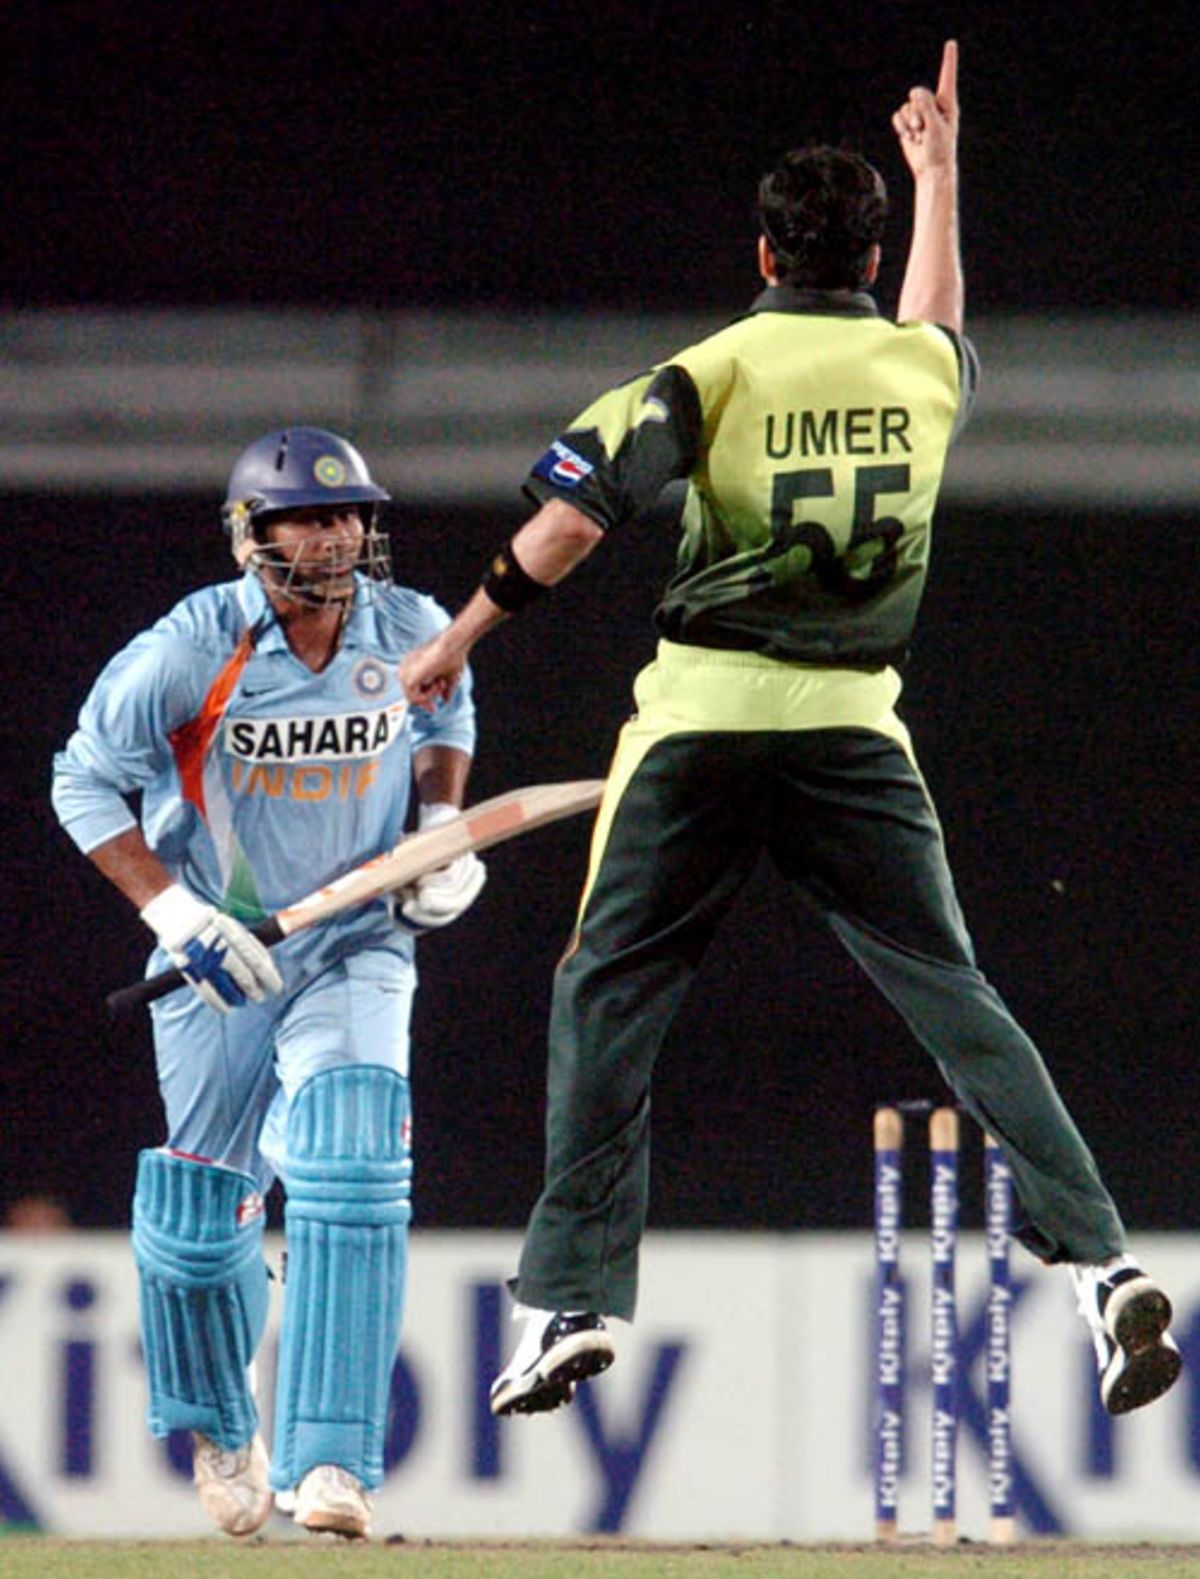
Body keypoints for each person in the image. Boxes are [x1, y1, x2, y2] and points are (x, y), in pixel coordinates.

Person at [400, 40, 1181, 1427]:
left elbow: (571, 524)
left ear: (762, 253)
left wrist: (456, 639)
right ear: (867, 259)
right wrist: (942, 177)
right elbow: (935, 322)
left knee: (608, 992)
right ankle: (1102, 1262)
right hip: (854, 735)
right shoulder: (922, 372)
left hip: (702, 722)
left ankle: (573, 1296)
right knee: (957, 1001)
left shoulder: (704, 374)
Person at [52, 426, 483, 1540]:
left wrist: (440, 828)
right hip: (219, 952)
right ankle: (218, 1423)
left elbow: (446, 714)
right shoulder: (190, 649)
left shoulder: (413, 626)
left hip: (356, 945)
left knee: (354, 1162)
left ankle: (333, 1461)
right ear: (252, 536)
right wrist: (174, 913)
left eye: (348, 516)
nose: (335, 536)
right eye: (307, 519)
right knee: (200, 1226)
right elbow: (82, 781)